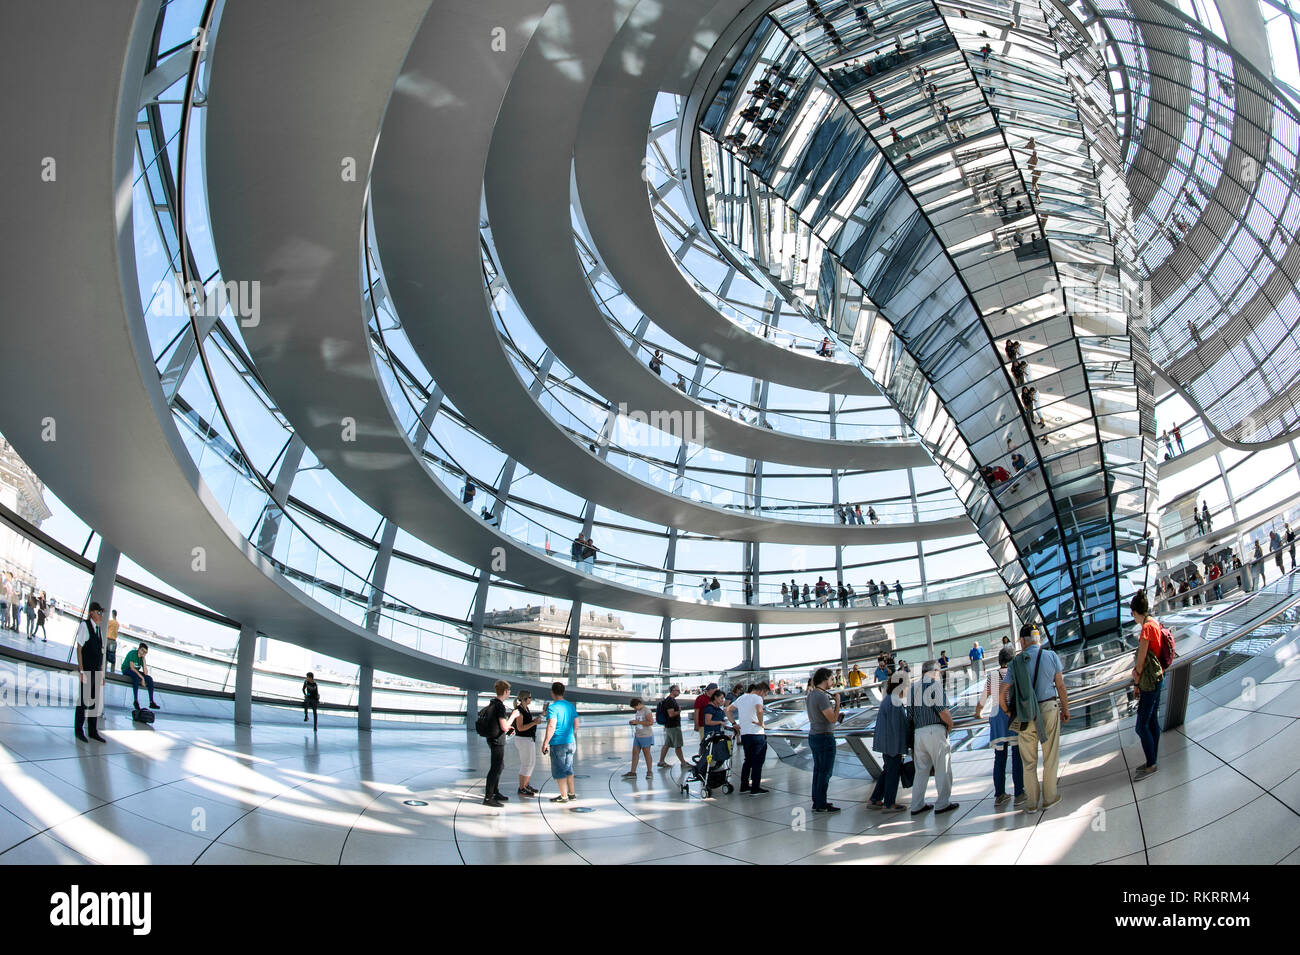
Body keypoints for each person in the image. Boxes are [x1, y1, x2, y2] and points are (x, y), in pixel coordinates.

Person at [1000, 624, 1069, 812]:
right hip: (1048, 708)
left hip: (1025, 714)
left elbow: (1003, 690)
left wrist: (1007, 710)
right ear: (1037, 639)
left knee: (1028, 761)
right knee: (1050, 756)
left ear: (1023, 641)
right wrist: (1065, 708)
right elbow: (1061, 686)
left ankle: (1031, 803)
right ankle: (1050, 798)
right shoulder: (1051, 656)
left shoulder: (1016, 663)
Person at [975, 646, 1024, 807]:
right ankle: (1019, 793)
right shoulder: (1014, 672)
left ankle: (1000, 795)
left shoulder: (993, 675)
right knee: (1017, 755)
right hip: (1012, 715)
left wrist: (978, 712)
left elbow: (984, 697)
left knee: (999, 758)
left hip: (996, 718)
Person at [908, 661, 959, 815]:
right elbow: (942, 711)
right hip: (935, 731)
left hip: (918, 734)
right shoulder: (934, 685)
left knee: (921, 771)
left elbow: (909, 715)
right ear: (934, 671)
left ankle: (917, 805)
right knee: (942, 768)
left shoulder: (912, 688)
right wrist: (950, 725)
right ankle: (942, 803)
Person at [1130, 592, 1164, 780]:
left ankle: (1151, 764)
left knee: (1141, 726)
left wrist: (1136, 681)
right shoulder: (1155, 624)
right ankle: (1153, 760)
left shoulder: (1146, 629)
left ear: (1136, 612)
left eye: (1133, 615)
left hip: (1149, 682)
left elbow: (1141, 661)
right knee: (1152, 721)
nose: (1133, 618)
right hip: (1158, 678)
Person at [868, 672, 909, 812]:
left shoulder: (889, 699)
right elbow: (898, 726)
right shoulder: (895, 701)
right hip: (892, 744)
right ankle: (889, 803)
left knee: (887, 771)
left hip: (886, 743)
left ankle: (875, 799)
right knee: (893, 772)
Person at [805, 667, 841, 813]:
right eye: (832, 678)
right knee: (825, 771)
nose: (833, 681)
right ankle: (821, 803)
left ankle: (818, 801)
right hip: (824, 737)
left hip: (814, 735)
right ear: (825, 679)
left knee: (818, 770)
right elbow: (832, 719)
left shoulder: (811, 695)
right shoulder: (821, 696)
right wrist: (838, 703)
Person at [74, 602, 108, 743]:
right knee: (83, 701)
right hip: (87, 670)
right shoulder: (85, 626)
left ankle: (93, 731)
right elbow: (79, 649)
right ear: (92, 613)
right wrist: (81, 671)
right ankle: (78, 730)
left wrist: (101, 673)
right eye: (99, 613)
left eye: (101, 613)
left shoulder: (98, 630)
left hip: (96, 671)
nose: (101, 616)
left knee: (94, 702)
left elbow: (100, 654)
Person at [541, 682, 579, 803]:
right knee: (568, 768)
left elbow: (551, 725)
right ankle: (572, 793)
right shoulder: (570, 706)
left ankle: (563, 796)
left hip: (558, 743)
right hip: (571, 742)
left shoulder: (553, 707)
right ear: (563, 692)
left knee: (559, 770)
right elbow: (576, 724)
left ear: (552, 692)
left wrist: (545, 742)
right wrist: (570, 736)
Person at [728, 683, 768, 794]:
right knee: (757, 762)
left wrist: (733, 723)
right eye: (766, 694)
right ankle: (755, 788)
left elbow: (727, 710)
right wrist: (761, 723)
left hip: (745, 734)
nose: (764, 697)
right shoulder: (757, 698)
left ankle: (744, 785)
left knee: (748, 761)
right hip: (757, 734)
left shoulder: (741, 698)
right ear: (761, 691)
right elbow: (760, 710)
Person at [480, 680, 512, 807]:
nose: (509, 693)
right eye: (509, 691)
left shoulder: (493, 703)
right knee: (495, 767)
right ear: (505, 691)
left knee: (500, 765)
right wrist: (514, 716)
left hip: (492, 738)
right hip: (497, 740)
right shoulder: (500, 706)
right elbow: (504, 726)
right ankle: (488, 797)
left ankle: (494, 791)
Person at [507, 690, 540, 797]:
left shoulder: (526, 708)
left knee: (531, 762)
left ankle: (526, 784)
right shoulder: (519, 711)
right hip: (523, 739)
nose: (531, 699)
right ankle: (522, 788)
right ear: (525, 699)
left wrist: (534, 721)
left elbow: (527, 723)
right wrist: (534, 722)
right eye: (530, 697)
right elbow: (520, 728)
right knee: (526, 763)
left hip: (529, 739)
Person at [655, 685, 693, 769]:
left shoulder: (669, 700)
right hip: (673, 726)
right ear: (672, 691)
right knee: (678, 745)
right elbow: (671, 714)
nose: (679, 692)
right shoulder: (670, 701)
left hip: (669, 726)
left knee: (667, 744)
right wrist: (679, 711)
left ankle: (661, 761)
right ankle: (683, 763)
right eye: (677, 690)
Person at [121, 642, 161, 711]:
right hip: (126, 669)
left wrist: (144, 660)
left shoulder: (142, 658)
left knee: (149, 679)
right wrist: (142, 678)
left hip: (135, 672)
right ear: (139, 649)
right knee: (136, 677)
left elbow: (145, 673)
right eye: (142, 650)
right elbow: (132, 668)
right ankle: (135, 700)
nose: (143, 653)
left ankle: (151, 702)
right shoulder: (132, 653)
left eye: (145, 652)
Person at [623, 698, 655, 780]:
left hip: (646, 735)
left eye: (635, 707)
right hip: (638, 735)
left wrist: (638, 722)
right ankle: (633, 772)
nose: (635, 709)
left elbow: (651, 722)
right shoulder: (638, 711)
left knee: (646, 753)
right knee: (635, 753)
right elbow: (640, 721)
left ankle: (649, 771)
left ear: (639, 704)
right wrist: (634, 722)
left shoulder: (646, 710)